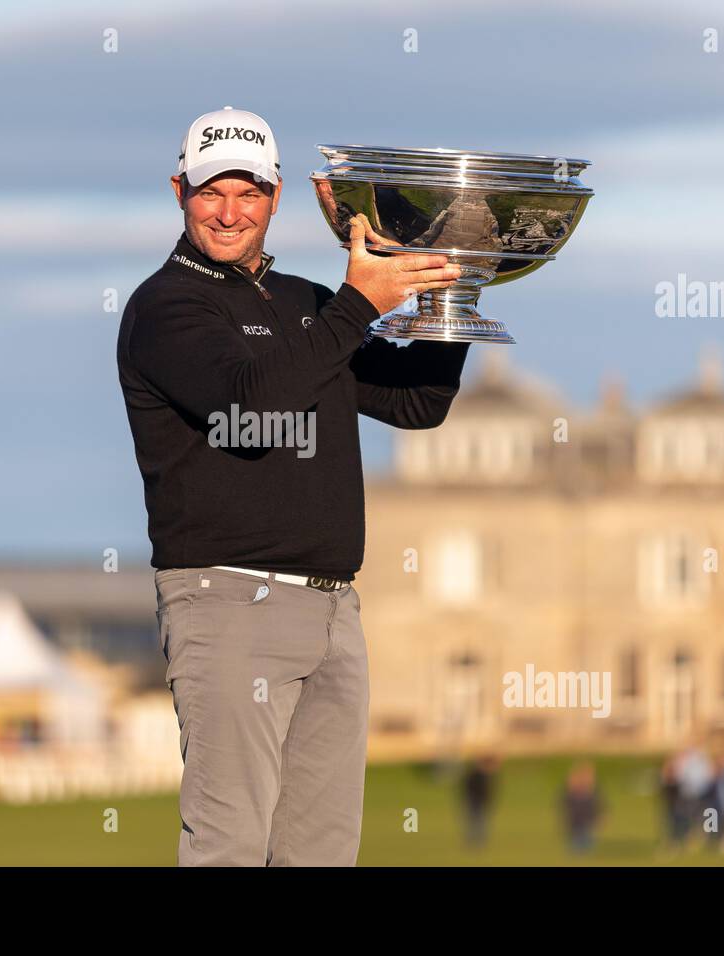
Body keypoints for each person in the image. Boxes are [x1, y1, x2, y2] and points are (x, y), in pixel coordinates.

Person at [116, 107, 472, 866]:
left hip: (333, 608)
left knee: (320, 852)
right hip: (227, 601)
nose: (229, 212)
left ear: (276, 199)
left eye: (249, 193)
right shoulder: (167, 305)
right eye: (212, 192)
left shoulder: (307, 303)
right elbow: (245, 401)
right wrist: (357, 306)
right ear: (179, 190)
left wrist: (449, 301)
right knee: (231, 845)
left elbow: (415, 403)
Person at [562, 761, 604, 854]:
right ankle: (578, 849)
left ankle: (580, 848)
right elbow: (566, 804)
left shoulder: (593, 793)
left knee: (585, 839)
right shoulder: (572, 792)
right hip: (576, 820)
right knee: (578, 840)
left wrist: (600, 817)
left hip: (586, 820)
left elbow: (599, 806)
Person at [461, 754, 500, 847]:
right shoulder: (475, 775)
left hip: (480, 802)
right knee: (475, 822)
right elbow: (469, 789)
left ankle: (479, 840)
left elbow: (488, 791)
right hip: (475, 801)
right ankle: (473, 839)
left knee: (480, 822)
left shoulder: (484, 776)